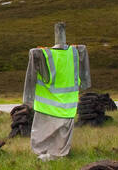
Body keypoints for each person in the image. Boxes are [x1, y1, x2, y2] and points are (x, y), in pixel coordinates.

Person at [22, 25, 90, 160]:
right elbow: (82, 52)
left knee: (44, 132)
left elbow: (33, 58)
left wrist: (28, 99)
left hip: (47, 105)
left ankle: (50, 154)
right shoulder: (75, 53)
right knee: (61, 134)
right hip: (66, 106)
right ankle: (57, 154)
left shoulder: (45, 55)